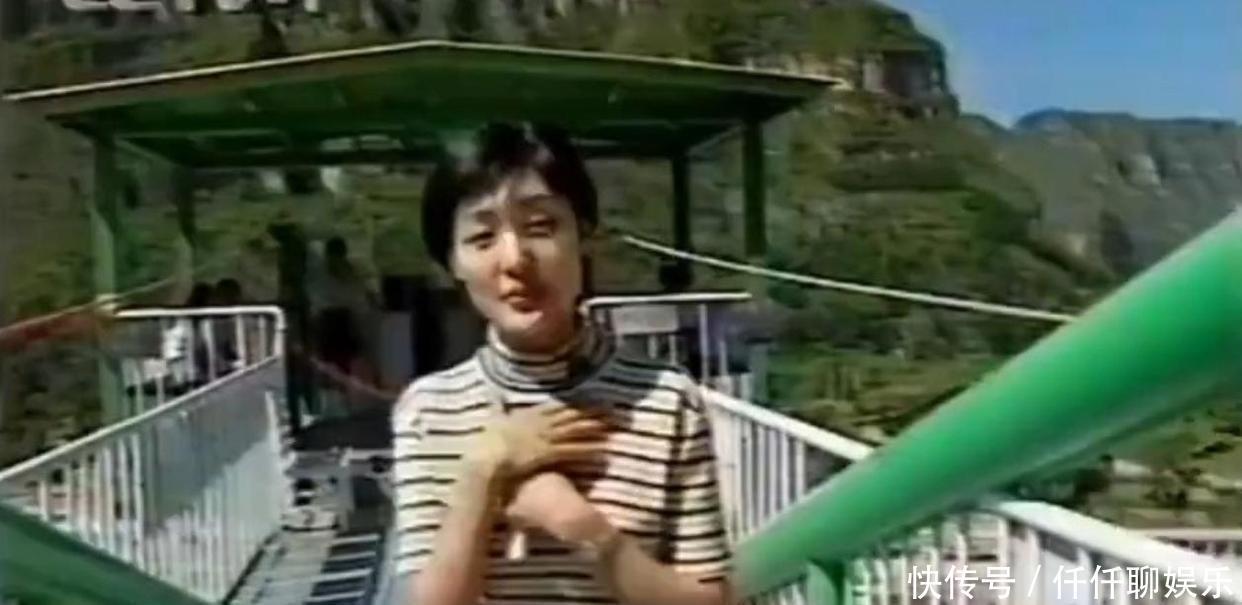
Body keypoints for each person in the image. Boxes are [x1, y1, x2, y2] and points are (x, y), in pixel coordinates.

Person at [390, 123, 734, 605]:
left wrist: (583, 528)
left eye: (541, 227)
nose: (515, 260)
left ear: (584, 235)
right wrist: (482, 474)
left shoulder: (666, 399)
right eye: (483, 238)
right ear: (453, 263)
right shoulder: (429, 410)